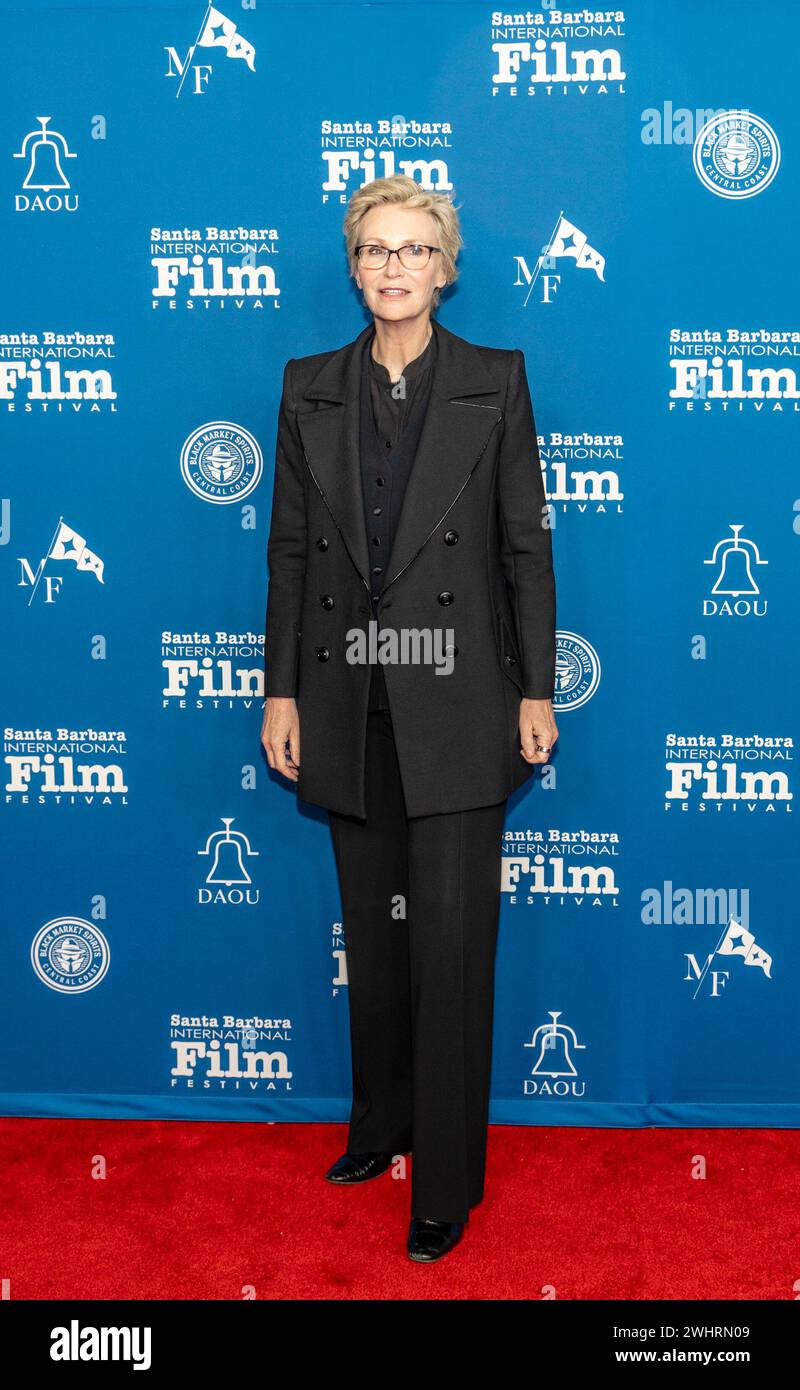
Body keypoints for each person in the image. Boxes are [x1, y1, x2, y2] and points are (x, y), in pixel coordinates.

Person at [261, 174, 558, 1263]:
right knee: (375, 944)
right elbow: (290, 552)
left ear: (445, 268)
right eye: (375, 249)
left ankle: (444, 1178)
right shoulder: (307, 386)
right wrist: (279, 689)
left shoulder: (494, 380)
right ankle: (378, 1126)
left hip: (459, 700)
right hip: (345, 697)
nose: (393, 267)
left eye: (414, 250)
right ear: (352, 266)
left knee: (447, 946)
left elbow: (523, 545)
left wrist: (534, 691)